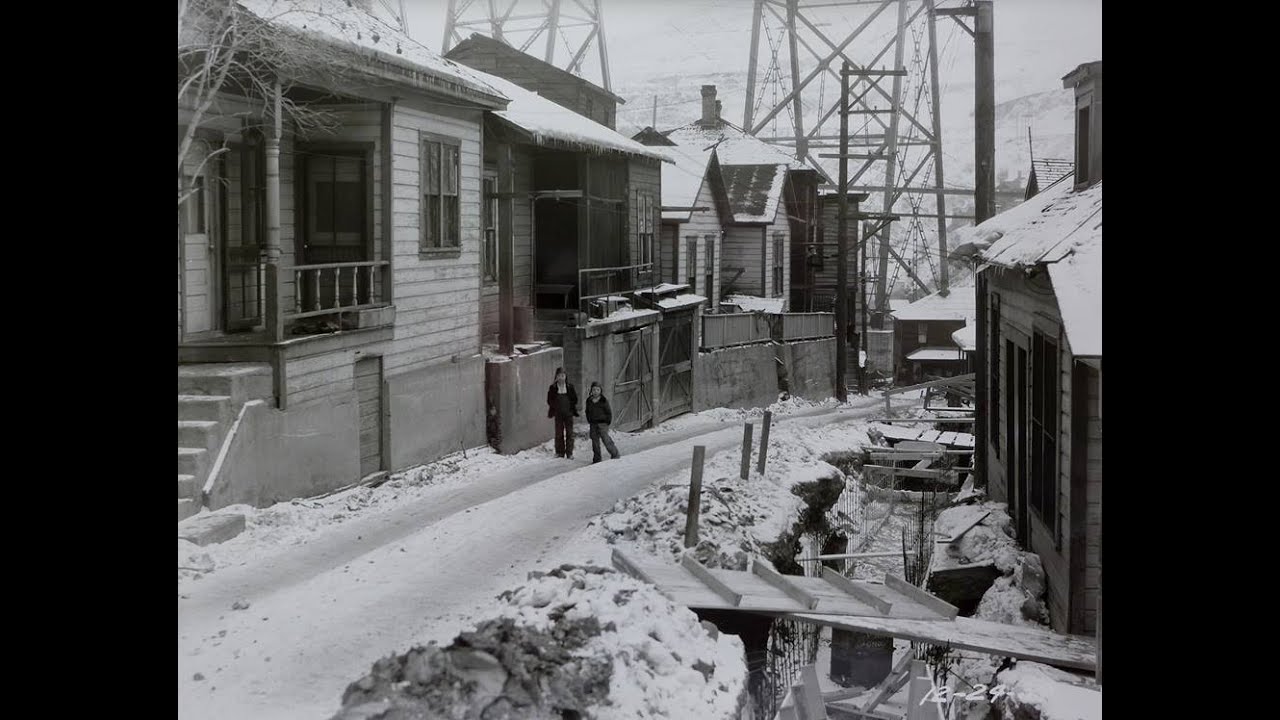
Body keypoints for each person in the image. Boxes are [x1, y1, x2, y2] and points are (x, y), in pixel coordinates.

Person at [584, 381, 621, 463]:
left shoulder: (603, 400)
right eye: (594, 390)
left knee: (606, 440)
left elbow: (608, 412)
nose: (595, 392)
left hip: (602, 424)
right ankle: (597, 458)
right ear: (591, 391)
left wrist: (607, 421)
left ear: (600, 391)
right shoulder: (589, 400)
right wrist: (589, 419)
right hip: (593, 424)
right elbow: (587, 411)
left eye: (597, 390)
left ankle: (615, 454)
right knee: (595, 442)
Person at [546, 367, 579, 459]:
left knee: (569, 433)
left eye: (563, 376)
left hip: (568, 414)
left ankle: (569, 453)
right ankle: (560, 452)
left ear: (565, 376)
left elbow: (575, 399)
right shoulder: (553, 388)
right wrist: (555, 406)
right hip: (558, 414)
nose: (561, 378)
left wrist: (570, 406)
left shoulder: (570, 387)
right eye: (559, 376)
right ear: (556, 377)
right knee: (559, 433)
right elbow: (549, 400)